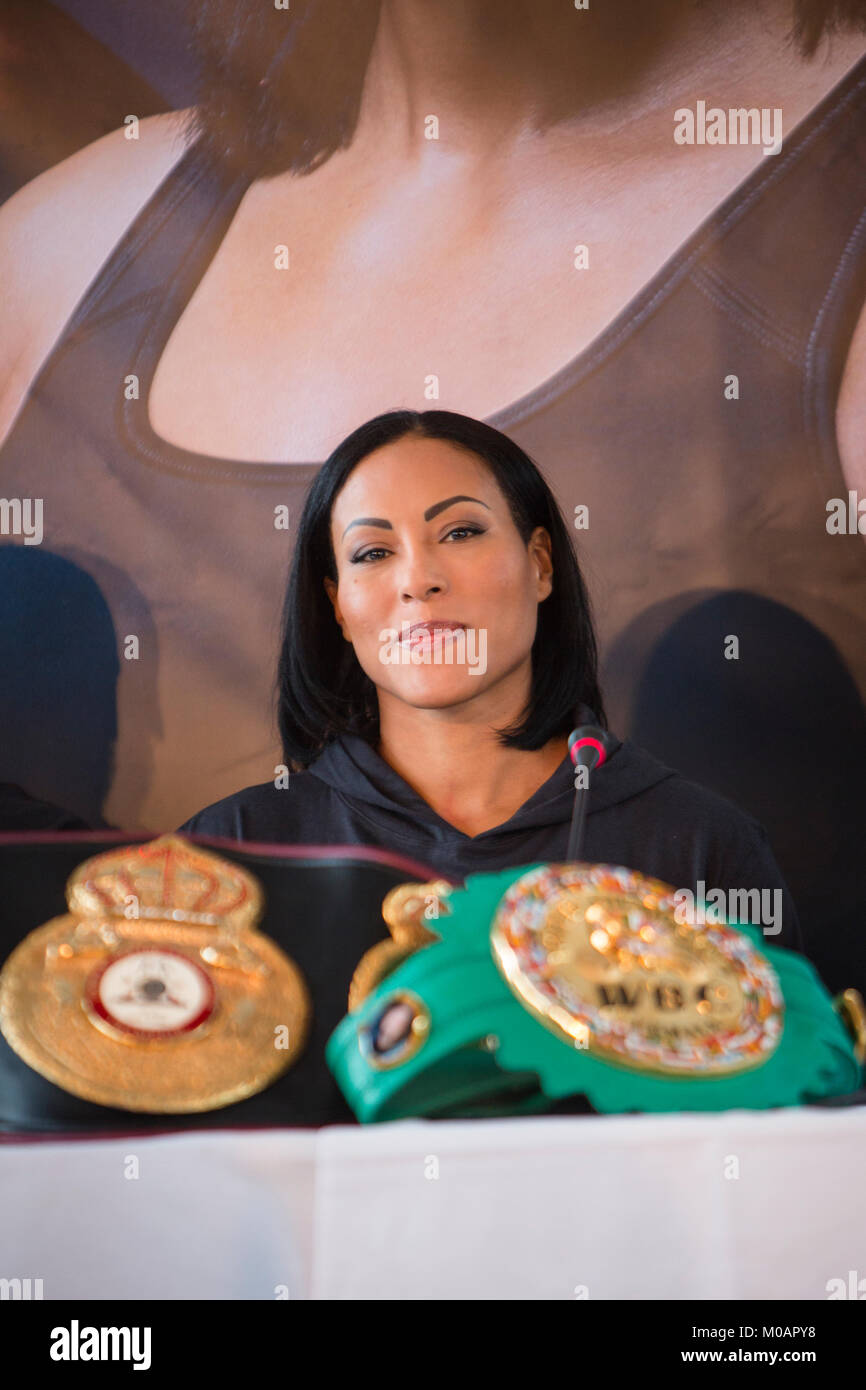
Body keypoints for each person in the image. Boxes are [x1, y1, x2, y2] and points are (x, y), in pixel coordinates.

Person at [181, 409, 804, 955]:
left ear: (539, 564)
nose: (417, 579)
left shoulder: (702, 844)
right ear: (338, 607)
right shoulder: (229, 852)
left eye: (460, 533)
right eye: (373, 553)